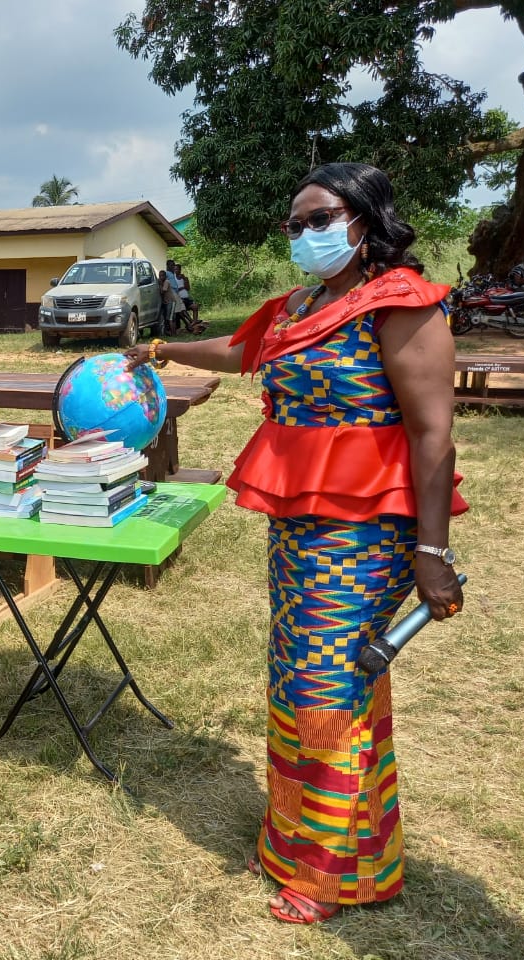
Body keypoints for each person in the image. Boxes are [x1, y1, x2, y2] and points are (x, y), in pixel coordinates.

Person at [127, 162, 467, 924]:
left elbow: (433, 434)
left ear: (364, 220)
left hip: (366, 531)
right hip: (299, 528)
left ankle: (329, 872)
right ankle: (297, 843)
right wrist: (161, 352)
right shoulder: (299, 304)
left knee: (326, 689)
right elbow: (239, 350)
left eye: (319, 218)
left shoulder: (401, 304)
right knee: (295, 681)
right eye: (295, 224)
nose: (304, 233)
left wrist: (433, 553)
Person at [158, 268, 181, 335]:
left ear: (165, 276)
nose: (161, 277)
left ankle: (173, 333)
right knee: (170, 318)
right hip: (168, 302)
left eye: (162, 276)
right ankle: (171, 332)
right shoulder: (163, 282)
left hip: (171, 301)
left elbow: (163, 291)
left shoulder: (166, 282)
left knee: (170, 318)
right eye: (160, 276)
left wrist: (159, 285)